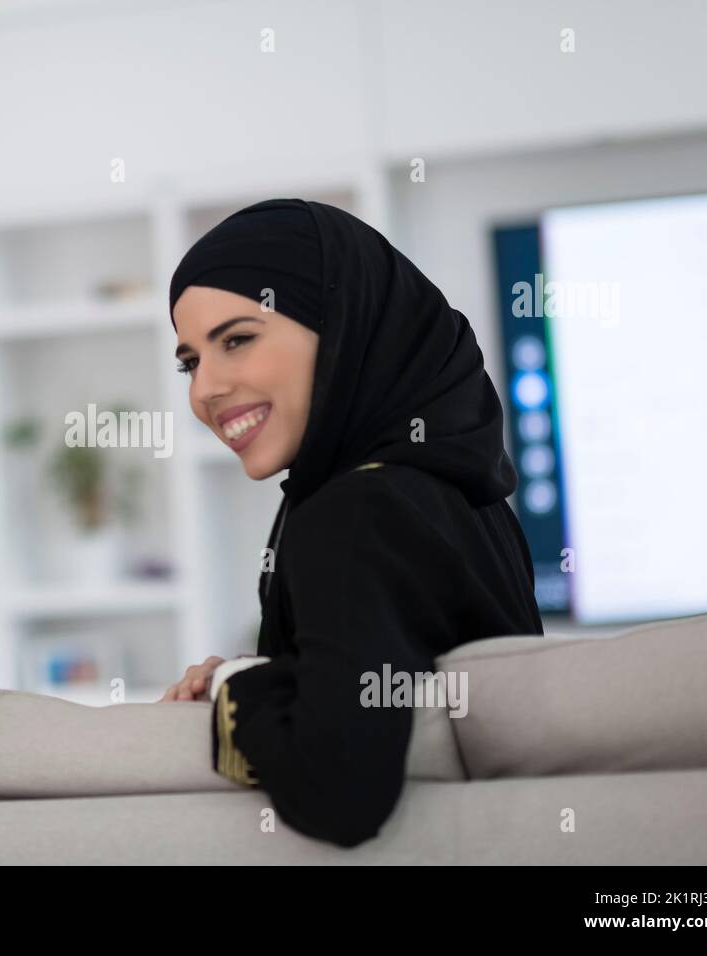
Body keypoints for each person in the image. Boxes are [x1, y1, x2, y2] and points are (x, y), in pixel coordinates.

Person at [160, 198, 543, 848]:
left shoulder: (357, 511)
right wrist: (276, 678)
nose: (204, 390)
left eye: (237, 339)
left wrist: (235, 685)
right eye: (191, 361)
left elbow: (338, 792)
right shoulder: (457, 494)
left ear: (342, 326)